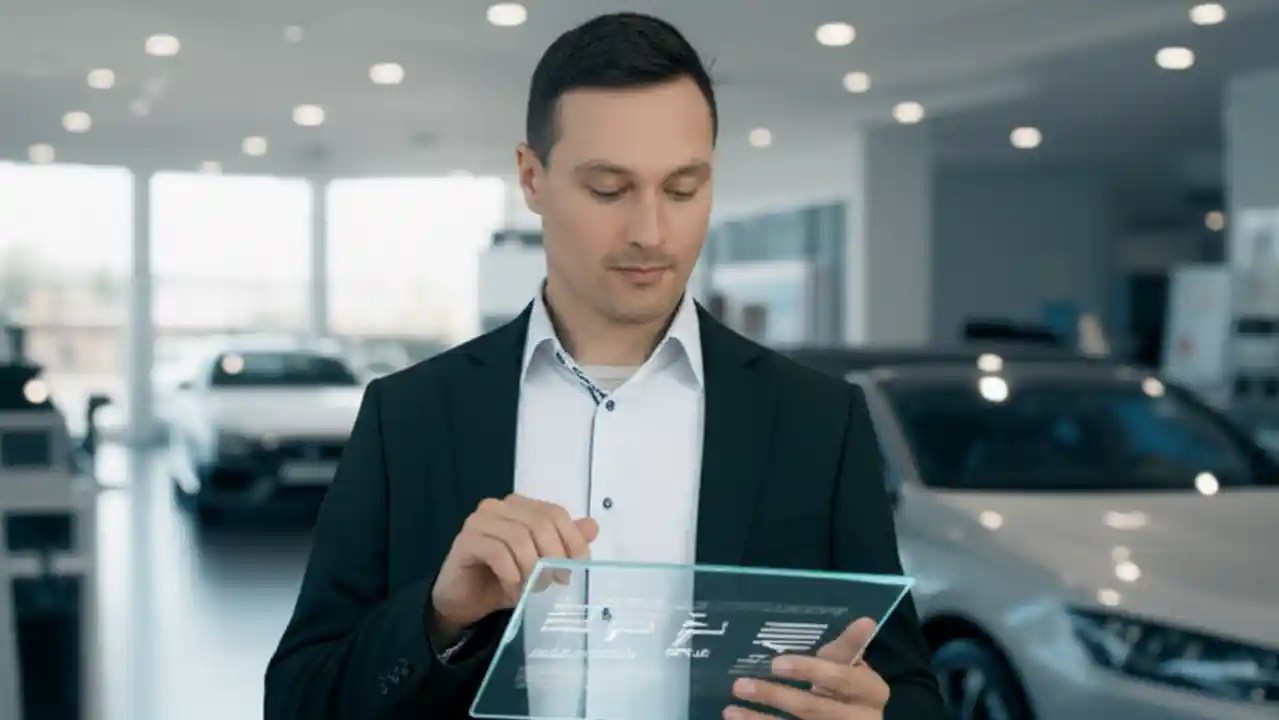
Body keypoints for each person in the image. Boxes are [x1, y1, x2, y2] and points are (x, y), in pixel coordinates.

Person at [265, 12, 943, 720]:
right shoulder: (406, 418)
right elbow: (297, 700)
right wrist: (439, 619)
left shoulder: (817, 423)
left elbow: (909, 690)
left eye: (682, 189)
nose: (651, 231)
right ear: (532, 178)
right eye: (609, 190)